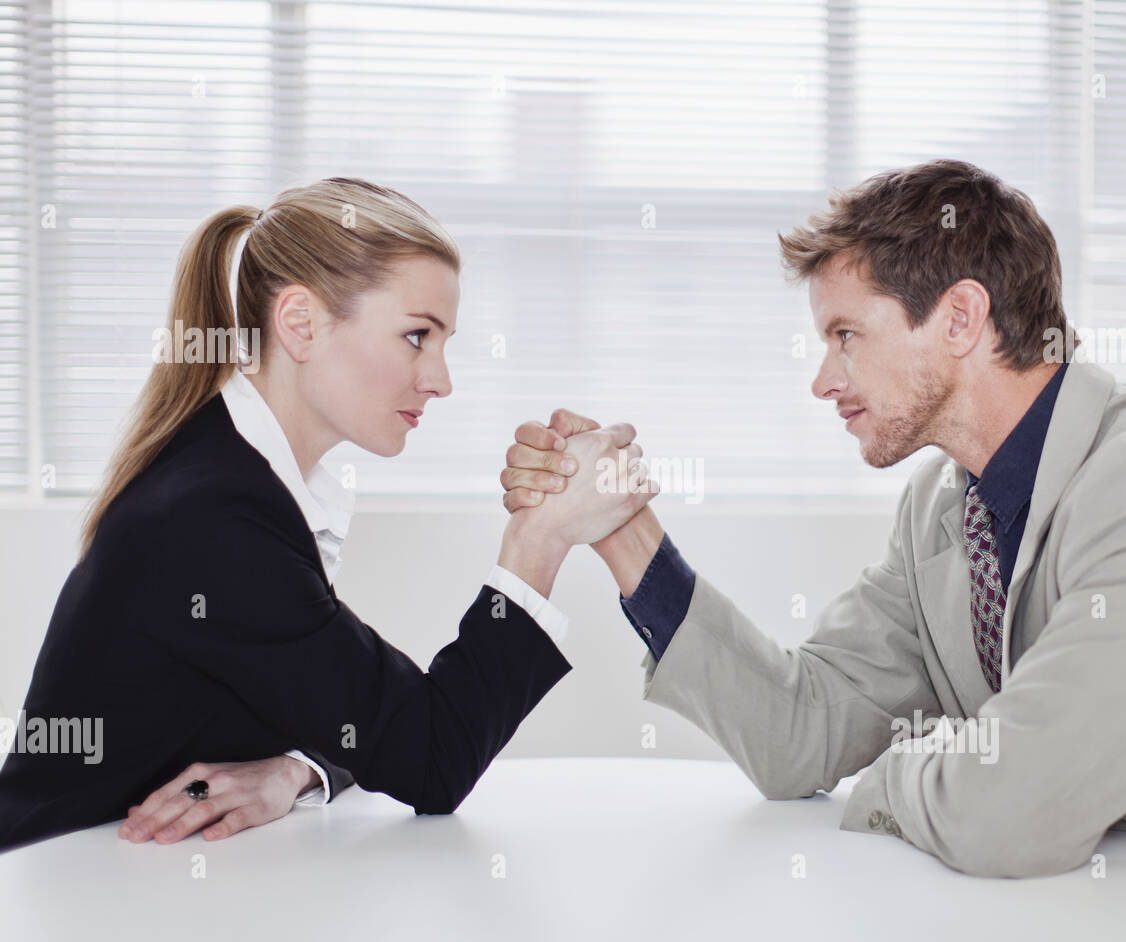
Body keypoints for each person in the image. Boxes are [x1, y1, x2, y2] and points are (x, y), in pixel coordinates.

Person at [501, 159, 1126, 878]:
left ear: (959, 319)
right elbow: (799, 730)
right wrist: (624, 527)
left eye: (845, 334)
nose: (822, 379)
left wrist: (900, 770)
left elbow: (1009, 815)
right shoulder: (942, 514)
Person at [0, 176, 655, 852]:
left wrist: (295, 769)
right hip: (48, 893)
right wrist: (539, 537)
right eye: (416, 336)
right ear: (300, 323)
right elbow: (432, 756)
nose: (441, 378)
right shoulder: (214, 518)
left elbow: (338, 707)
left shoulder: (239, 474)